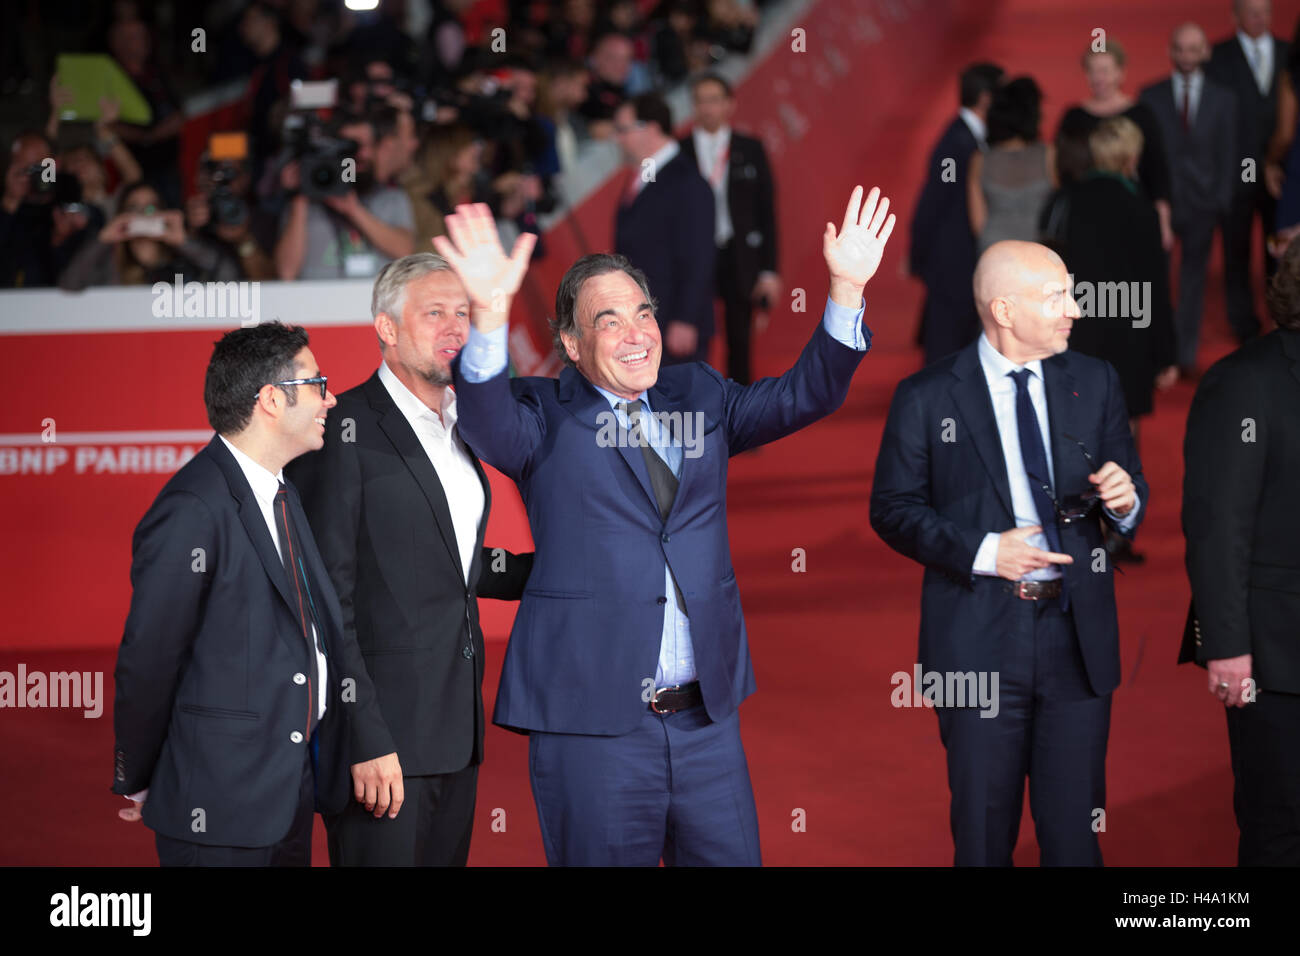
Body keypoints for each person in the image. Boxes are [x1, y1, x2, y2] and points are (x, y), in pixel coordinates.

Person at [439, 185, 895, 865]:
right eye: (611, 320)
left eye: (644, 313)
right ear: (570, 342)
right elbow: (484, 416)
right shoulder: (542, 414)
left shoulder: (699, 394)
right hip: (591, 725)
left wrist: (847, 291)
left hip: (705, 720)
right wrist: (487, 314)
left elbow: (808, 393)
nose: (637, 334)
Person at [870, 240, 1147, 866]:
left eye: (1071, 293)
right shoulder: (928, 396)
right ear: (1003, 309)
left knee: (1075, 840)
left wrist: (1126, 501)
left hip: (1077, 637)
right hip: (977, 639)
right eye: (1055, 297)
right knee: (983, 838)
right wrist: (988, 551)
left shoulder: (1095, 381)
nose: (1074, 309)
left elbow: (1127, 486)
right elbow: (892, 509)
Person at [111, 323, 402, 865]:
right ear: (271, 399)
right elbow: (149, 659)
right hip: (216, 803)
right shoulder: (193, 507)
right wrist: (145, 775)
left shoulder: (281, 493)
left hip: (288, 793)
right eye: (318, 383)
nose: (331, 398)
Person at [286, 254, 532, 866]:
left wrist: (566, 569)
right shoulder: (343, 430)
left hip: (457, 733)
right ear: (387, 328)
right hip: (384, 746)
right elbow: (324, 599)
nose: (455, 328)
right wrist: (364, 737)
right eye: (434, 313)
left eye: (463, 313)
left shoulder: (461, 426)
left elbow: (452, 563)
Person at [1180, 236, 1300, 866]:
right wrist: (1226, 646)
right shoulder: (1244, 383)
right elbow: (1216, 524)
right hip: (1279, 659)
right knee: (1279, 828)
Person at [1060, 117, 1178, 439]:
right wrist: (1166, 353)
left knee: (1081, 420)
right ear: (1131, 156)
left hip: (1080, 325)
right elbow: (1155, 285)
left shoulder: (1070, 200)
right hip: (1130, 330)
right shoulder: (1141, 208)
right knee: (1122, 428)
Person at [1140, 23, 1238, 375]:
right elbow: (1144, 154)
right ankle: (1160, 352)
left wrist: (1221, 200)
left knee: (1194, 281)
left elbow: (1229, 153)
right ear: (1170, 51)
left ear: (1205, 52)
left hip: (1203, 205)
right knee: (1158, 279)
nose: (1186, 56)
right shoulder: (1150, 96)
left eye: (1193, 48)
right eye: (1180, 48)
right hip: (1162, 203)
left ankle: (1184, 354)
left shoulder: (1223, 100)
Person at [679, 72, 780, 385]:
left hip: (739, 254)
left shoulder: (751, 148)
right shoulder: (677, 152)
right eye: (700, 101)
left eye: (714, 100)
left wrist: (769, 271)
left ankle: (741, 404)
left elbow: (767, 212)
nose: (707, 108)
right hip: (694, 257)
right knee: (693, 333)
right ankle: (697, 400)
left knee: (740, 335)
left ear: (729, 105)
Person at [1207, 0, 1291, 343]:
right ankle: (1244, 325)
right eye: (1252, 12)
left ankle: (1282, 316)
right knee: (1237, 248)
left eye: (1266, 11)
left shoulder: (1290, 52)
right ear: (1235, 16)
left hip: (1281, 169)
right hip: (1238, 168)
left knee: (1281, 247)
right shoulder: (1217, 56)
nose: (1261, 18)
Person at [911, 62, 1004, 366]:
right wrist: (920, 257)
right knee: (944, 359)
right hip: (951, 268)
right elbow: (933, 201)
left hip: (959, 267)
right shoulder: (956, 143)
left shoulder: (968, 139)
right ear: (986, 98)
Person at [613, 92, 716, 365]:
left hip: (673, 326)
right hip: (645, 323)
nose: (618, 139)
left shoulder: (687, 182)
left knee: (683, 407)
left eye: (624, 130)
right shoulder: (642, 177)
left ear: (652, 129)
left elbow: (699, 256)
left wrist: (685, 319)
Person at [1060, 40, 1174, 251]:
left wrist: (1164, 223)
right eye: (1092, 71)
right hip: (1085, 218)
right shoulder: (1073, 117)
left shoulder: (1141, 115)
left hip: (1134, 214)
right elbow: (1063, 173)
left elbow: (1157, 172)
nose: (1098, 78)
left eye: (1105, 70)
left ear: (1121, 72)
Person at [274, 112, 415, 280]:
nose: (361, 154)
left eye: (367, 145)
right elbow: (286, 272)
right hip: (316, 303)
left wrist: (353, 209)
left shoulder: (391, 198)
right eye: (351, 146)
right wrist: (301, 194)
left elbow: (405, 251)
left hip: (375, 303)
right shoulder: (304, 204)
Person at [58, 180, 238, 289]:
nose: (143, 214)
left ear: (163, 213)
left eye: (151, 207)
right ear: (121, 216)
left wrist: (183, 242)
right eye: (133, 208)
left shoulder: (183, 267)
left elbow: (229, 275)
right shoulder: (109, 266)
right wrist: (103, 238)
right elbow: (69, 285)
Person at [968, 77, 1056, 256]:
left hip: (995, 253)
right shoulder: (1050, 155)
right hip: (1041, 256)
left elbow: (978, 223)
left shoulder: (980, 160)